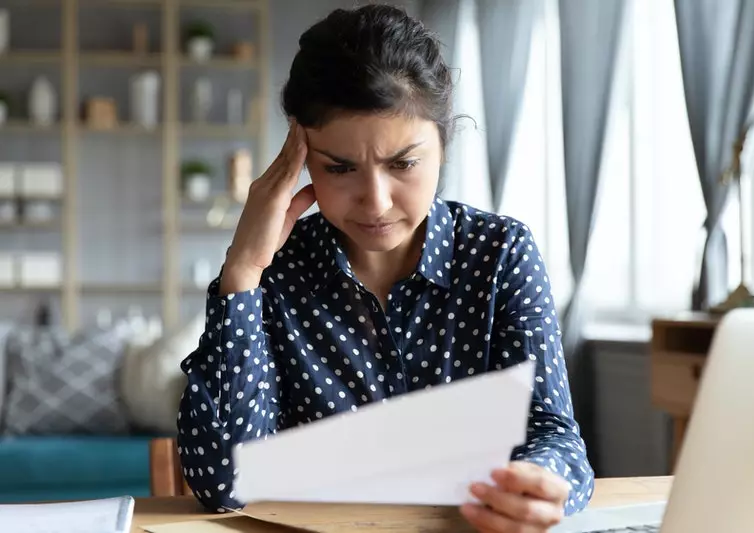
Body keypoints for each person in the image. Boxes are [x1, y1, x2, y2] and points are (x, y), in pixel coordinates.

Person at [177, 4, 594, 531]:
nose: (375, 202)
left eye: (402, 164)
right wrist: (241, 272)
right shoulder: (275, 274)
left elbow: (555, 433)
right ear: (300, 156)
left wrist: (536, 483)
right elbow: (222, 485)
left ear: (444, 143)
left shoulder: (500, 254)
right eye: (340, 168)